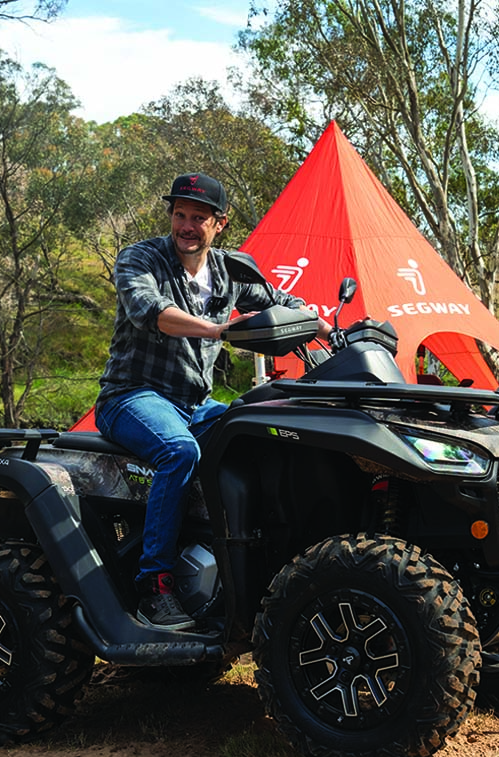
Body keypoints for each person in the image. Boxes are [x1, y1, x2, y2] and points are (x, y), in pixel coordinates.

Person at [95, 172, 330, 630]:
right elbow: (152, 312)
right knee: (179, 450)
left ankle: (258, 574)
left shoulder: (231, 270)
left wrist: (331, 328)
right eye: (179, 215)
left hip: (193, 403)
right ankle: (154, 585)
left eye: (198, 218)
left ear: (219, 224)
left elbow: (282, 302)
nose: (186, 225)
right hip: (131, 396)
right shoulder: (140, 259)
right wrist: (218, 329)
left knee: (267, 434)